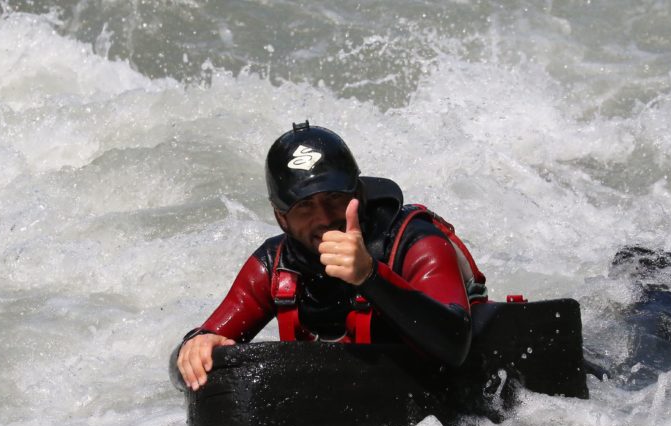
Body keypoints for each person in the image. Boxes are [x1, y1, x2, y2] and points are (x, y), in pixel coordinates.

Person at [175, 121, 489, 391]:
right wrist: (196, 348)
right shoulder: (273, 265)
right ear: (282, 218)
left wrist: (370, 275)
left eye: (335, 198)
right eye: (304, 206)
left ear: (358, 195)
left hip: (447, 402)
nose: (324, 218)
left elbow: (455, 345)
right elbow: (185, 361)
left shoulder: (416, 242)